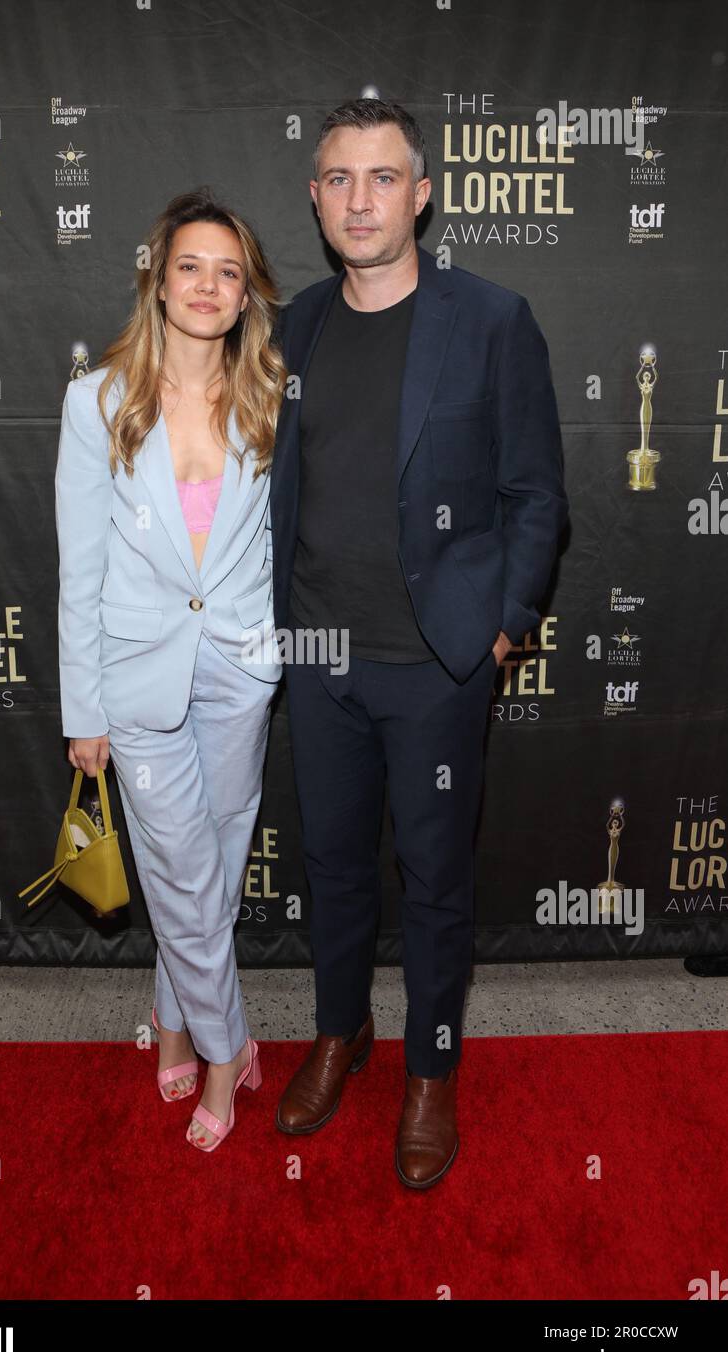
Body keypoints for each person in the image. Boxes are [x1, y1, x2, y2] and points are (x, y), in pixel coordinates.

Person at [270, 98, 569, 1188]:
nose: (359, 199)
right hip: (316, 660)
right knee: (334, 866)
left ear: (421, 192)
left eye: (381, 177)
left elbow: (535, 493)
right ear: (314, 196)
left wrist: (503, 621)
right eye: (338, 179)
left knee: (434, 879)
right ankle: (338, 1035)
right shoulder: (292, 323)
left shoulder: (490, 319)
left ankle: (430, 1071)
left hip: (435, 663)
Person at [55, 189, 286, 1152]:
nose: (208, 285)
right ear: (158, 278)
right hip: (136, 683)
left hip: (239, 673)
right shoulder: (96, 400)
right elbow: (79, 566)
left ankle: (179, 1017)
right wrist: (84, 707)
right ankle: (228, 1050)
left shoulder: (274, 396)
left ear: (245, 298)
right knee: (186, 873)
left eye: (228, 272)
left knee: (215, 864)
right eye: (190, 265)